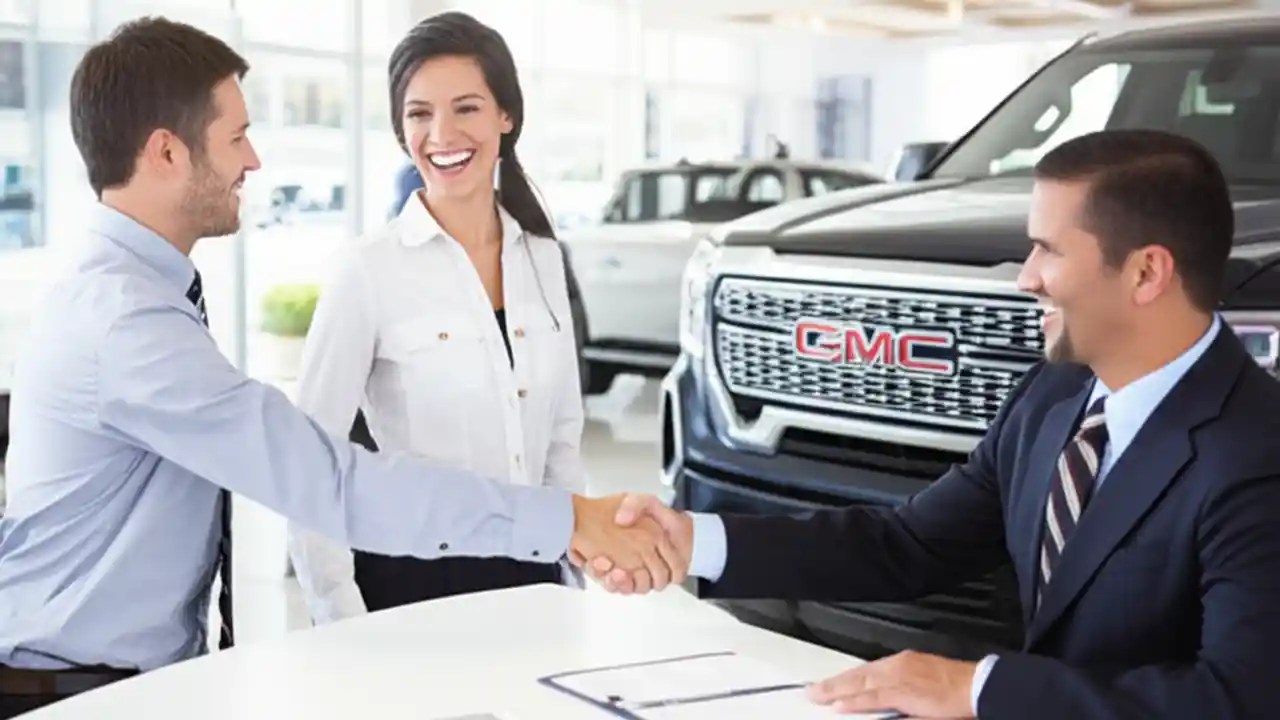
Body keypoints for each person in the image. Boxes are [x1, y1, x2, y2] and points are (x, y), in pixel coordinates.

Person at [0, 17, 678, 717]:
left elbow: (557, 431)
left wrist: (564, 542)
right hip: (79, 691)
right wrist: (566, 521)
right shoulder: (127, 323)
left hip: (119, 677)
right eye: (236, 136)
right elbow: (327, 480)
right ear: (167, 152)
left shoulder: (138, 297)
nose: (254, 160)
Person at [591, 130, 1280, 719]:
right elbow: (909, 545)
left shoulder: (1256, 452)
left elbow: (1238, 699)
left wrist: (976, 686)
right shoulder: (1056, 396)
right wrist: (695, 542)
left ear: (1146, 272)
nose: (1026, 278)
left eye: (1049, 250)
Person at [286, 11, 587, 624]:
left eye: (467, 108)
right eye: (419, 113)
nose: (441, 133)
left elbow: (561, 441)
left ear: (507, 116)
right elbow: (308, 464)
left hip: (534, 582)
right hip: (408, 591)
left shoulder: (544, 260)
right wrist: (341, 615)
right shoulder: (367, 270)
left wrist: (571, 581)